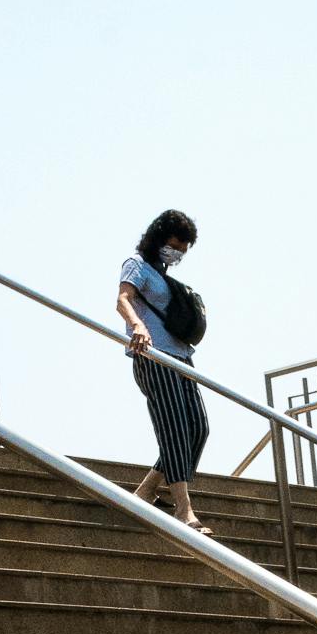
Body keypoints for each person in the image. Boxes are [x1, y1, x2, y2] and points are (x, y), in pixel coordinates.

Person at [116, 208, 212, 534]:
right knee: (174, 428)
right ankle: (184, 510)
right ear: (159, 238)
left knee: (198, 429)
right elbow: (122, 299)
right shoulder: (137, 265)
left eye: (183, 249)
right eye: (175, 245)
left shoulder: (162, 274)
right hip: (153, 356)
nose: (178, 253)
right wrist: (137, 325)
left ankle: (146, 490)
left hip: (181, 358)